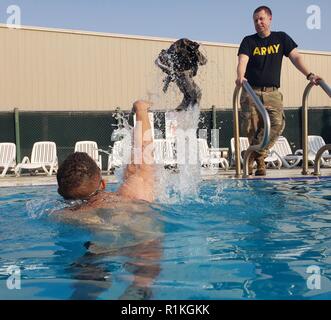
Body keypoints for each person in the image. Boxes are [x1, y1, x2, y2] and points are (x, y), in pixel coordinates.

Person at [236, 6, 322, 176]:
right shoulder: (248, 41)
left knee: (277, 124)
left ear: (269, 18)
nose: (258, 23)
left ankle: (253, 154)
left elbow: (296, 57)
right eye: (255, 20)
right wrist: (240, 76)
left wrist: (309, 75)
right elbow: (242, 61)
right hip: (250, 91)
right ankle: (260, 162)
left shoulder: (280, 38)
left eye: (261, 19)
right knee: (251, 128)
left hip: (272, 92)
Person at [155, 38, 207, 111]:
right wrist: (171, 72)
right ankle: (190, 114)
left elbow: (204, 61)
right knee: (195, 94)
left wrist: (171, 73)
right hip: (181, 74)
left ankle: (181, 111)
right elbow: (158, 62)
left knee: (190, 96)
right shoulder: (174, 50)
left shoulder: (192, 50)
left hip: (182, 73)